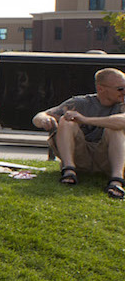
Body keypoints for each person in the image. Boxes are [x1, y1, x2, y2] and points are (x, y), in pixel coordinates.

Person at [34, 67, 125, 198]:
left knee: (115, 128)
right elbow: (40, 116)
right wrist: (44, 119)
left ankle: (117, 180)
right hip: (82, 156)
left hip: (108, 158)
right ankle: (69, 170)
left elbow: (122, 121)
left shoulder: (122, 104)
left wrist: (85, 120)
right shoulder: (80, 102)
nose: (124, 92)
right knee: (67, 120)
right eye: (120, 89)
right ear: (101, 89)